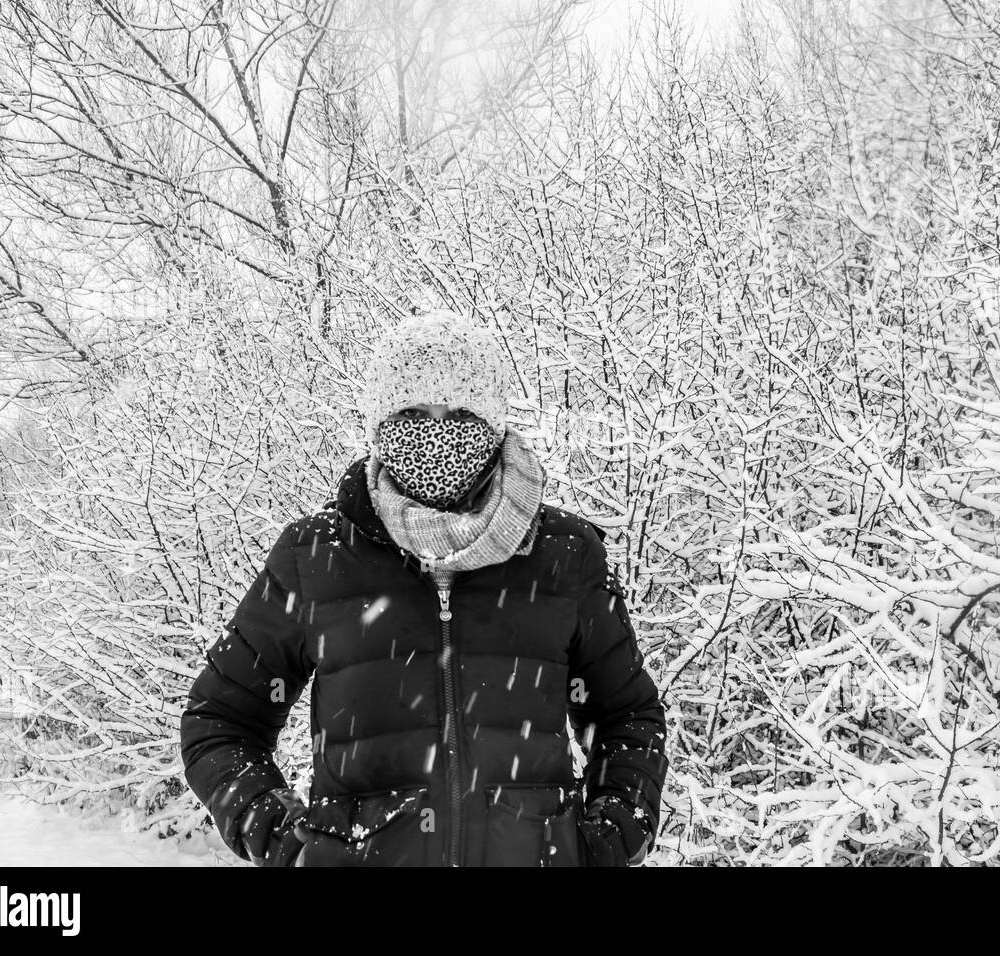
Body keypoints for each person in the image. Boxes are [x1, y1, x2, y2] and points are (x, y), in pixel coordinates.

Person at [179, 309, 669, 867]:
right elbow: (218, 722)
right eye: (412, 412)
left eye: (460, 412)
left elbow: (628, 719)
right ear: (379, 422)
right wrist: (295, 848)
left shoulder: (564, 554)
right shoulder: (316, 556)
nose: (437, 433)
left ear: (495, 423)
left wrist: (600, 843)